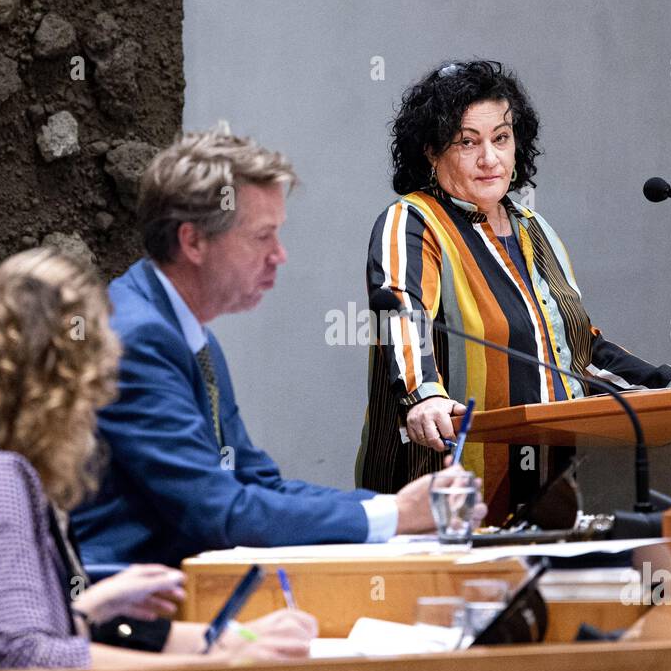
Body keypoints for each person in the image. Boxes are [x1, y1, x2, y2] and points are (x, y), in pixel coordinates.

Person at [0, 248, 315, 671]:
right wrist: (220, 665)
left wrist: (94, 608)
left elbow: (4, 644)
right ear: (58, 391)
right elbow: (25, 660)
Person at [72, 125, 483, 568]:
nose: (279, 255)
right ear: (193, 241)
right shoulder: (137, 339)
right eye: (261, 236)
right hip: (128, 606)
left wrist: (399, 509)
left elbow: (258, 483)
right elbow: (218, 513)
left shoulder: (189, 333)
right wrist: (396, 514)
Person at [356, 60, 671, 524]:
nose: (490, 158)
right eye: (468, 142)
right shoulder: (414, 221)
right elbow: (400, 313)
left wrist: (666, 386)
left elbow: (576, 344)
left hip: (551, 485)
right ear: (431, 151)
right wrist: (423, 394)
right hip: (447, 484)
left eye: (501, 139)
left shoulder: (536, 229)